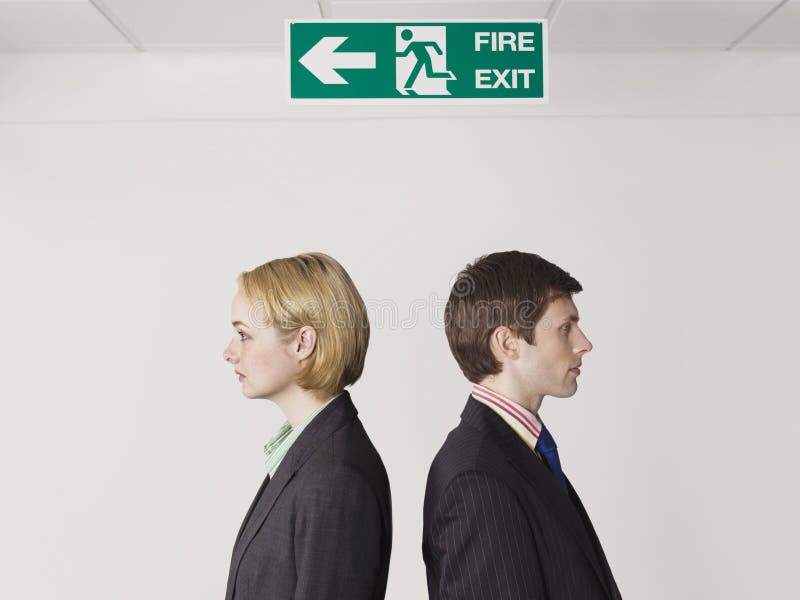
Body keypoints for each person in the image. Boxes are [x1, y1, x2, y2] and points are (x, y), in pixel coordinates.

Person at [422, 250, 622, 599]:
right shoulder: (478, 480)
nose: (584, 344)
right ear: (507, 343)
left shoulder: (518, 452)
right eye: (565, 328)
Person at [222, 252, 391, 600]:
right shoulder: (309, 456)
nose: (229, 352)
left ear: (302, 343)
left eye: (244, 335)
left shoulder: (335, 478)